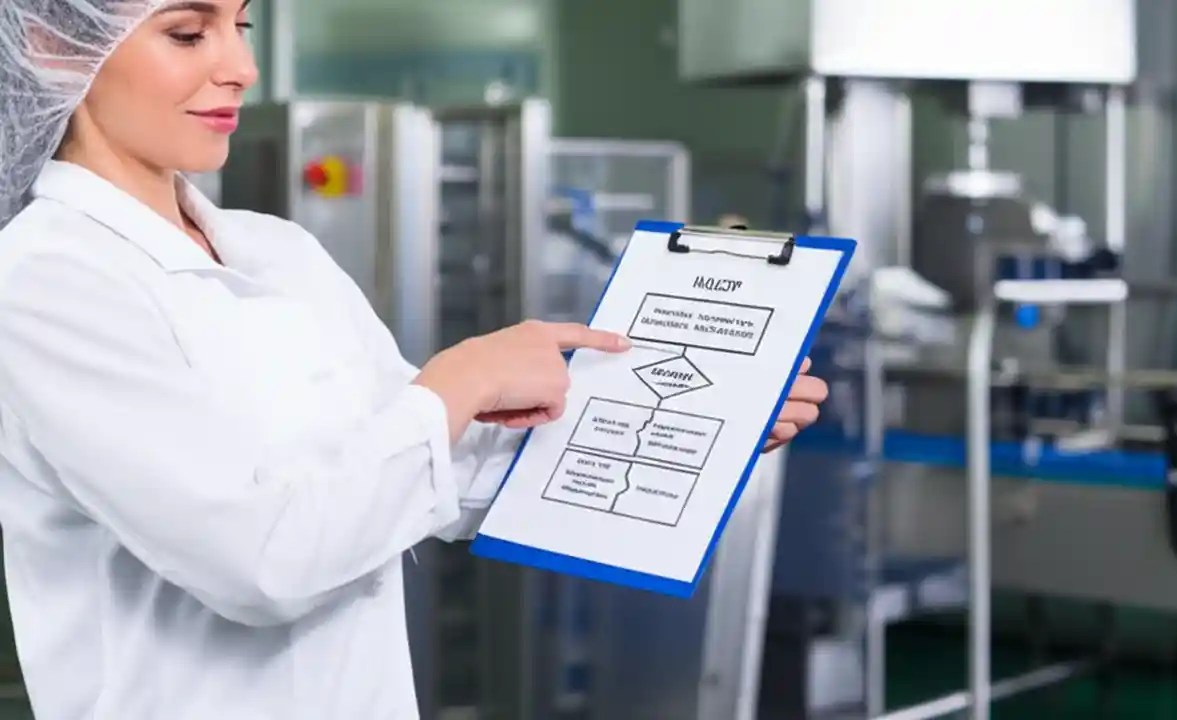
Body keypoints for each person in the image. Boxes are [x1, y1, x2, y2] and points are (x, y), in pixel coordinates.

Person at [0, 1, 829, 718]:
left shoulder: (276, 251)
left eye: (244, 26)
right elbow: (260, 562)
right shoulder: (45, 283)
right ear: (53, 44)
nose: (242, 67)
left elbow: (432, 473)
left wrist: (693, 426)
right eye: (188, 33)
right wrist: (462, 379)